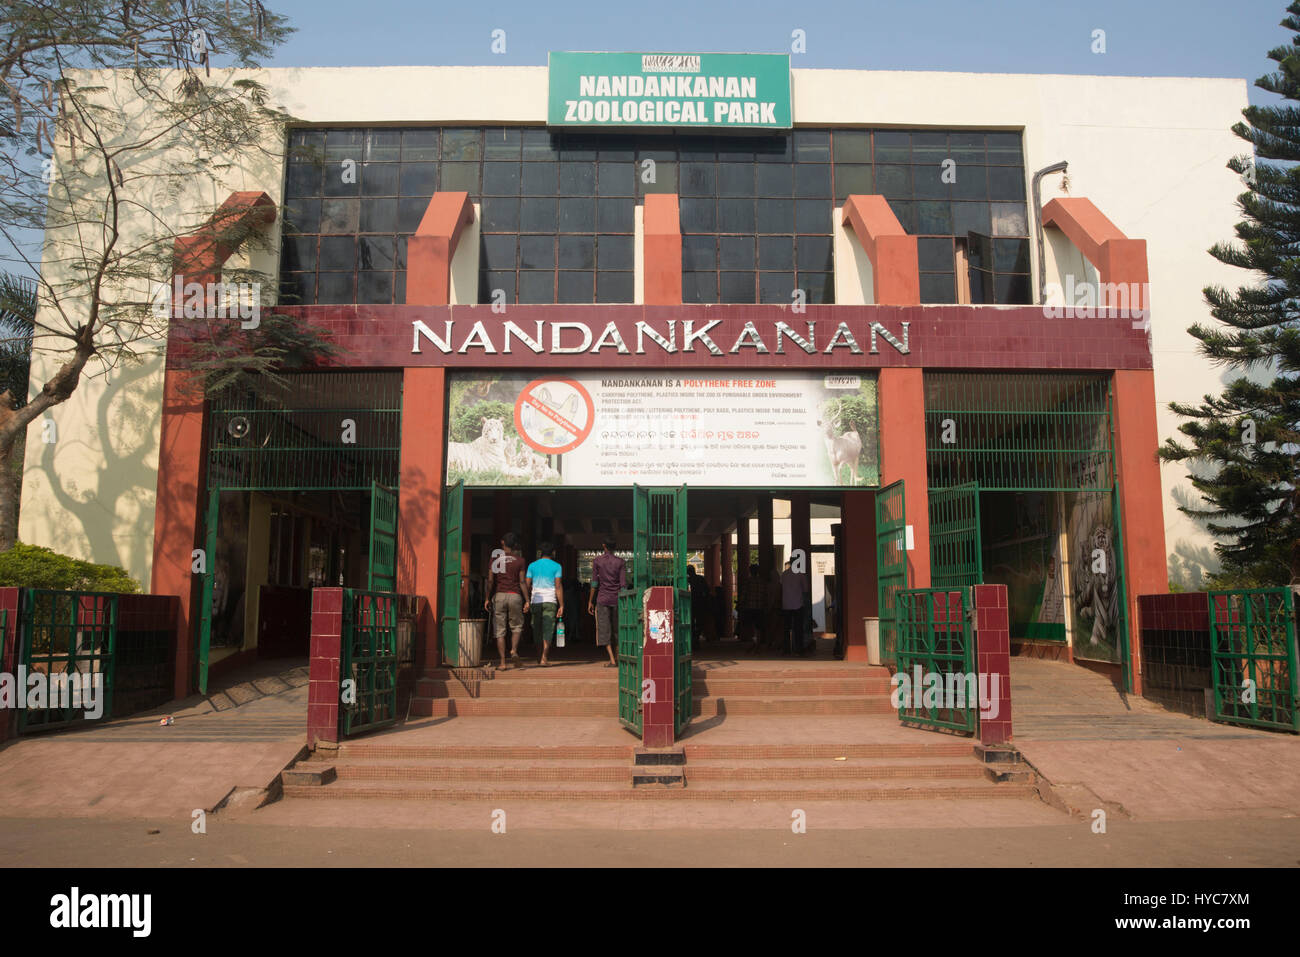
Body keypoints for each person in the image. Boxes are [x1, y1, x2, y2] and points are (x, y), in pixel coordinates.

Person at [484, 532, 527, 670]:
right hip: (515, 595)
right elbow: (522, 582)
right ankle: (513, 650)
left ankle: (502, 663)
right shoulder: (520, 560)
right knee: (516, 627)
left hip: (500, 595)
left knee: (500, 631)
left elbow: (490, 581)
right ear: (515, 545)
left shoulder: (495, 559)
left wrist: (487, 598)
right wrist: (527, 600)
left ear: (502, 542)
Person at [587, 537, 625, 667]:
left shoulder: (597, 561)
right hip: (617, 599)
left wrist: (590, 601)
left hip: (602, 599)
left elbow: (594, 583)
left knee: (604, 629)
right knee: (617, 629)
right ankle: (618, 656)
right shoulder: (620, 562)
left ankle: (612, 660)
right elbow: (623, 585)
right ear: (615, 547)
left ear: (604, 546)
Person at [525, 541, 564, 667]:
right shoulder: (557, 566)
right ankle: (544, 658)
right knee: (548, 629)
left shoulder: (532, 566)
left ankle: (538, 656)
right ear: (553, 553)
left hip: (535, 600)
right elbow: (558, 586)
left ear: (540, 552)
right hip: (550, 600)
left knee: (537, 629)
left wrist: (528, 598)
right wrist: (562, 605)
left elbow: (527, 584)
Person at [780, 558, 810, 656]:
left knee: (785, 629)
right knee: (798, 629)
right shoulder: (801, 574)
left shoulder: (784, 574)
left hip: (786, 605)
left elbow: (781, 587)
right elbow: (806, 589)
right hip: (798, 604)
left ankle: (786, 650)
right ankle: (798, 649)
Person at [739, 562, 765, 652]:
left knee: (749, 626)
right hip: (760, 607)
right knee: (759, 626)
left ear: (750, 571)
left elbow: (744, 594)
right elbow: (765, 594)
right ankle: (758, 643)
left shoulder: (748, 581)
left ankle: (752, 642)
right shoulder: (761, 581)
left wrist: (740, 604)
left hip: (750, 607)